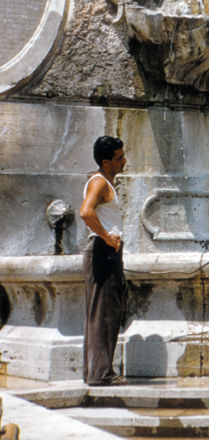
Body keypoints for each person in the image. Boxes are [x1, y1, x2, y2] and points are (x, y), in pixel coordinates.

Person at [79, 135, 127, 386]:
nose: (124, 161)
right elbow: (85, 211)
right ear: (106, 161)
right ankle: (101, 374)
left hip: (103, 251)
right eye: (119, 158)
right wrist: (107, 237)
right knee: (104, 313)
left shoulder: (103, 181)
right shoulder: (99, 183)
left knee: (101, 312)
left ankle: (95, 371)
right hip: (102, 250)